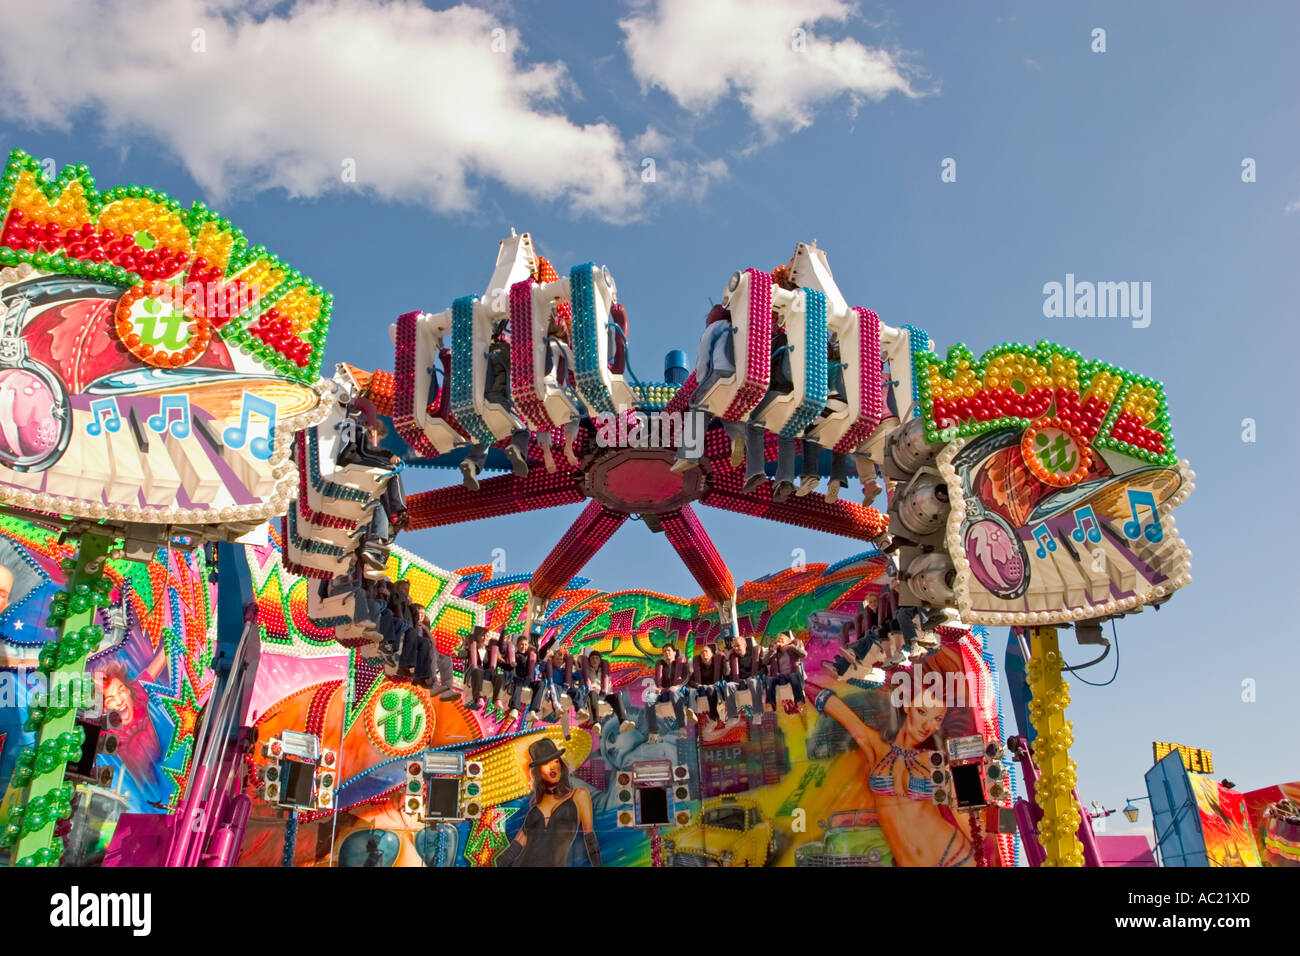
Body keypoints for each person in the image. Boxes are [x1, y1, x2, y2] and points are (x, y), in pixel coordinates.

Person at [807, 647, 980, 866]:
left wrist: (985, 854)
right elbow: (841, 712)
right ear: (908, 706)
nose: (928, 726)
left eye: (937, 719)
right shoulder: (878, 750)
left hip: (954, 858)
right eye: (922, 712)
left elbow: (968, 817)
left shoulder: (936, 759)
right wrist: (789, 684)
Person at [496, 738, 601, 867]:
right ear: (538, 771)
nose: (553, 767)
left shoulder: (579, 795)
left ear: (561, 765)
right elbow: (514, 849)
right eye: (546, 764)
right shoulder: (537, 806)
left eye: (556, 761)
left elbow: (590, 839)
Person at [462, 319, 531, 490]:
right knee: (522, 428)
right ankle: (517, 449)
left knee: (485, 436)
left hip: (478, 404)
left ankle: (471, 463)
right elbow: (518, 367)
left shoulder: (478, 355)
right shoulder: (504, 351)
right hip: (499, 400)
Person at [670, 304, 737, 472]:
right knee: (727, 408)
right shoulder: (739, 328)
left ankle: (689, 454)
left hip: (719, 372)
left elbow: (703, 358)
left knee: (697, 404)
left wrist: (700, 382)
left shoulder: (714, 328)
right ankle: (738, 437)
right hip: (738, 377)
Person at [797, 332, 849, 501]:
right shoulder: (851, 368)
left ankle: (810, 474)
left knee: (809, 432)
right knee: (839, 442)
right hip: (851, 410)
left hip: (833, 403)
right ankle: (837, 477)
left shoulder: (829, 366)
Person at [537, 306, 583, 472]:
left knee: (542, 422)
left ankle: (547, 452)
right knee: (574, 414)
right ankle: (568, 446)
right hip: (553, 388)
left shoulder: (536, 345)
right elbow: (575, 366)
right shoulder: (558, 344)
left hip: (537, 391)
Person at [576, 649, 634, 735]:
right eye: (592, 658)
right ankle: (596, 723)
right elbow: (579, 659)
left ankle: (623, 722)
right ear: (589, 660)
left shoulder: (605, 672)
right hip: (591, 694)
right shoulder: (585, 670)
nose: (594, 660)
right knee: (592, 693)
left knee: (616, 695)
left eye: (596, 658)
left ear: (600, 661)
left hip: (603, 694)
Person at [647, 644, 692, 742]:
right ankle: (653, 731)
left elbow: (686, 677)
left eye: (668, 650)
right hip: (664, 691)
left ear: (674, 653)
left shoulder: (681, 663)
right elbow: (657, 681)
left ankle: (681, 728)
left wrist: (677, 686)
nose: (666, 653)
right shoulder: (661, 665)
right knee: (649, 698)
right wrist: (656, 688)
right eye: (664, 651)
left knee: (674, 693)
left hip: (679, 690)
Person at [763, 631, 807, 712]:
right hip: (780, 676)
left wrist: (792, 647)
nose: (779, 642)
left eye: (781, 640)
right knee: (769, 679)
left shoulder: (792, 649)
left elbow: (804, 655)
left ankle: (799, 701)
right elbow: (764, 663)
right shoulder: (775, 652)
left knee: (793, 676)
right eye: (778, 641)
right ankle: (770, 704)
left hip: (792, 674)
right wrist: (770, 652)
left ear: (788, 641)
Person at [689, 641, 728, 730]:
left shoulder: (718, 664)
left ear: (712, 654)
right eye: (702, 652)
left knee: (710, 688)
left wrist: (726, 660)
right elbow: (690, 682)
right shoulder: (699, 667)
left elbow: (726, 674)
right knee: (691, 691)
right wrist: (697, 685)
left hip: (715, 687)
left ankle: (714, 717)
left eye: (706, 651)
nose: (704, 654)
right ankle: (693, 712)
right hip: (702, 688)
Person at [503, 634, 540, 726]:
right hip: (517, 680)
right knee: (518, 683)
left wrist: (538, 646)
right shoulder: (515, 656)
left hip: (528, 681)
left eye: (525, 645)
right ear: (517, 645)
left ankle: (532, 710)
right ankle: (515, 708)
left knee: (541, 684)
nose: (524, 647)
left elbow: (540, 657)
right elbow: (506, 656)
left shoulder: (531, 656)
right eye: (521, 645)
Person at [726, 634, 765, 717]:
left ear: (745, 645)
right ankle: (732, 716)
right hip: (739, 682)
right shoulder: (733, 659)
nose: (736, 648)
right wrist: (726, 659)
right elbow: (727, 674)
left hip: (751, 680)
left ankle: (758, 712)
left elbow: (764, 669)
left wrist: (755, 675)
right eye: (734, 647)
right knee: (728, 685)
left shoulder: (753, 656)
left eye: (738, 646)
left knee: (752, 681)